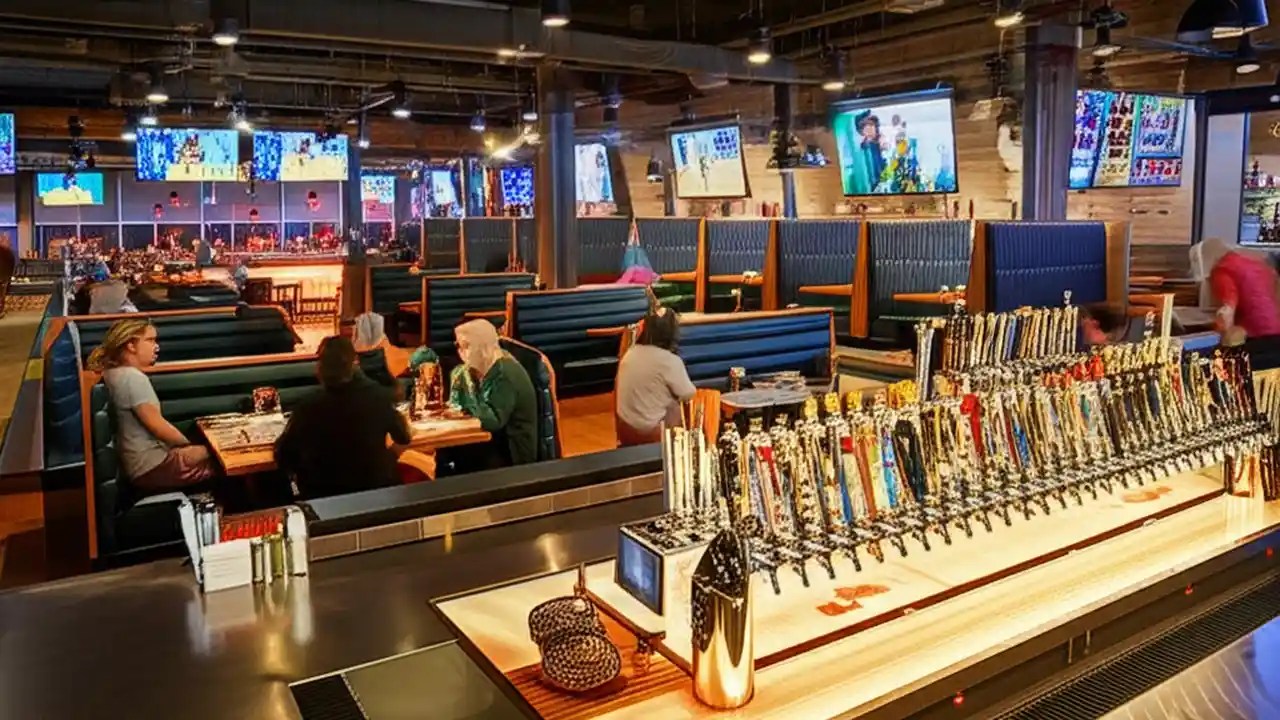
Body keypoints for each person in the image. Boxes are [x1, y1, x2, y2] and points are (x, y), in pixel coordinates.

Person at [87, 319, 217, 493]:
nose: (157, 347)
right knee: (219, 457)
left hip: (138, 465)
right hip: (152, 467)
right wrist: (187, 445)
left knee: (212, 452)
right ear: (131, 345)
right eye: (151, 340)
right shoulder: (132, 378)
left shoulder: (112, 373)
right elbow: (158, 426)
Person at [275, 336, 412, 499]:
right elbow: (403, 437)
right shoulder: (377, 397)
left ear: (320, 369)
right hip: (376, 498)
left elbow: (283, 456)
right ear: (353, 366)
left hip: (323, 503)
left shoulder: (307, 407)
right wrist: (388, 459)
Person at [439, 319, 538, 475]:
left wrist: (467, 392)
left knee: (455, 457)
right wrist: (460, 383)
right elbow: (455, 404)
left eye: (466, 345)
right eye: (458, 345)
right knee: (446, 452)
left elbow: (493, 420)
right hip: (492, 442)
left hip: (511, 453)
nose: (460, 351)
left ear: (482, 345)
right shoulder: (479, 367)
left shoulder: (504, 373)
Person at [614, 307, 697, 446]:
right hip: (652, 433)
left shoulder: (630, 353)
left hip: (625, 431)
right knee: (677, 406)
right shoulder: (670, 361)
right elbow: (689, 393)